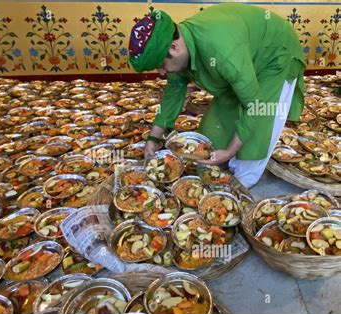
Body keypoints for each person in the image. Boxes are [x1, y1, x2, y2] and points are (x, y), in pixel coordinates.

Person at [128, 3, 305, 188]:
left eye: (161, 65)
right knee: (215, 126)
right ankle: (225, 159)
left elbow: (254, 104)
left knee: (260, 124)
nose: (161, 73)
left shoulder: (223, 53)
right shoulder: (182, 43)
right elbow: (174, 89)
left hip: (273, 54)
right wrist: (154, 138)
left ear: (174, 46)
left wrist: (229, 152)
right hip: (241, 56)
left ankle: (243, 182)